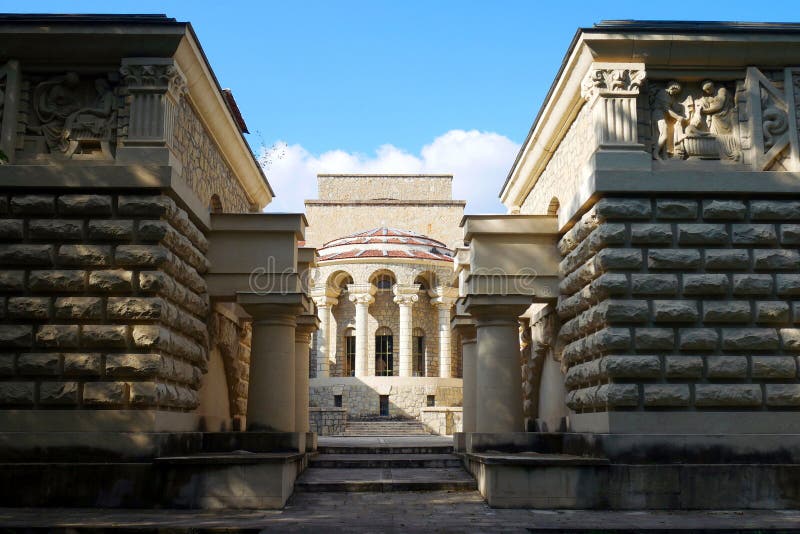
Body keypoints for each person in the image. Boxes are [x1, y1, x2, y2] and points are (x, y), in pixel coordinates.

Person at [650, 81, 685, 160]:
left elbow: (672, 106)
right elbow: (667, 110)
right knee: (664, 134)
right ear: (670, 87)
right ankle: (656, 152)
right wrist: (678, 117)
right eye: (674, 91)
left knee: (661, 134)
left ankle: (664, 155)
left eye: (676, 92)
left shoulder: (668, 96)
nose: (674, 93)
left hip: (661, 115)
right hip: (658, 115)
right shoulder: (663, 94)